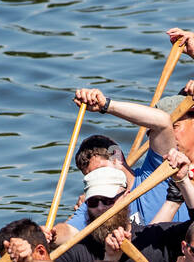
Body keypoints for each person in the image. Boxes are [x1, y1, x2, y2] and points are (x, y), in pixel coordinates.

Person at [55, 149, 194, 262]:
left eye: (108, 200)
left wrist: (183, 181)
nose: (101, 207)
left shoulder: (153, 238)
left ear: (126, 197)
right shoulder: (78, 250)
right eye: (94, 202)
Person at [51, 86, 179, 244]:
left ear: (116, 155)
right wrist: (50, 235)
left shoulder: (155, 173)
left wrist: (107, 105)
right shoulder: (96, 202)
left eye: (100, 171)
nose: (99, 181)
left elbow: (163, 122)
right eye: (91, 177)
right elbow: (69, 231)